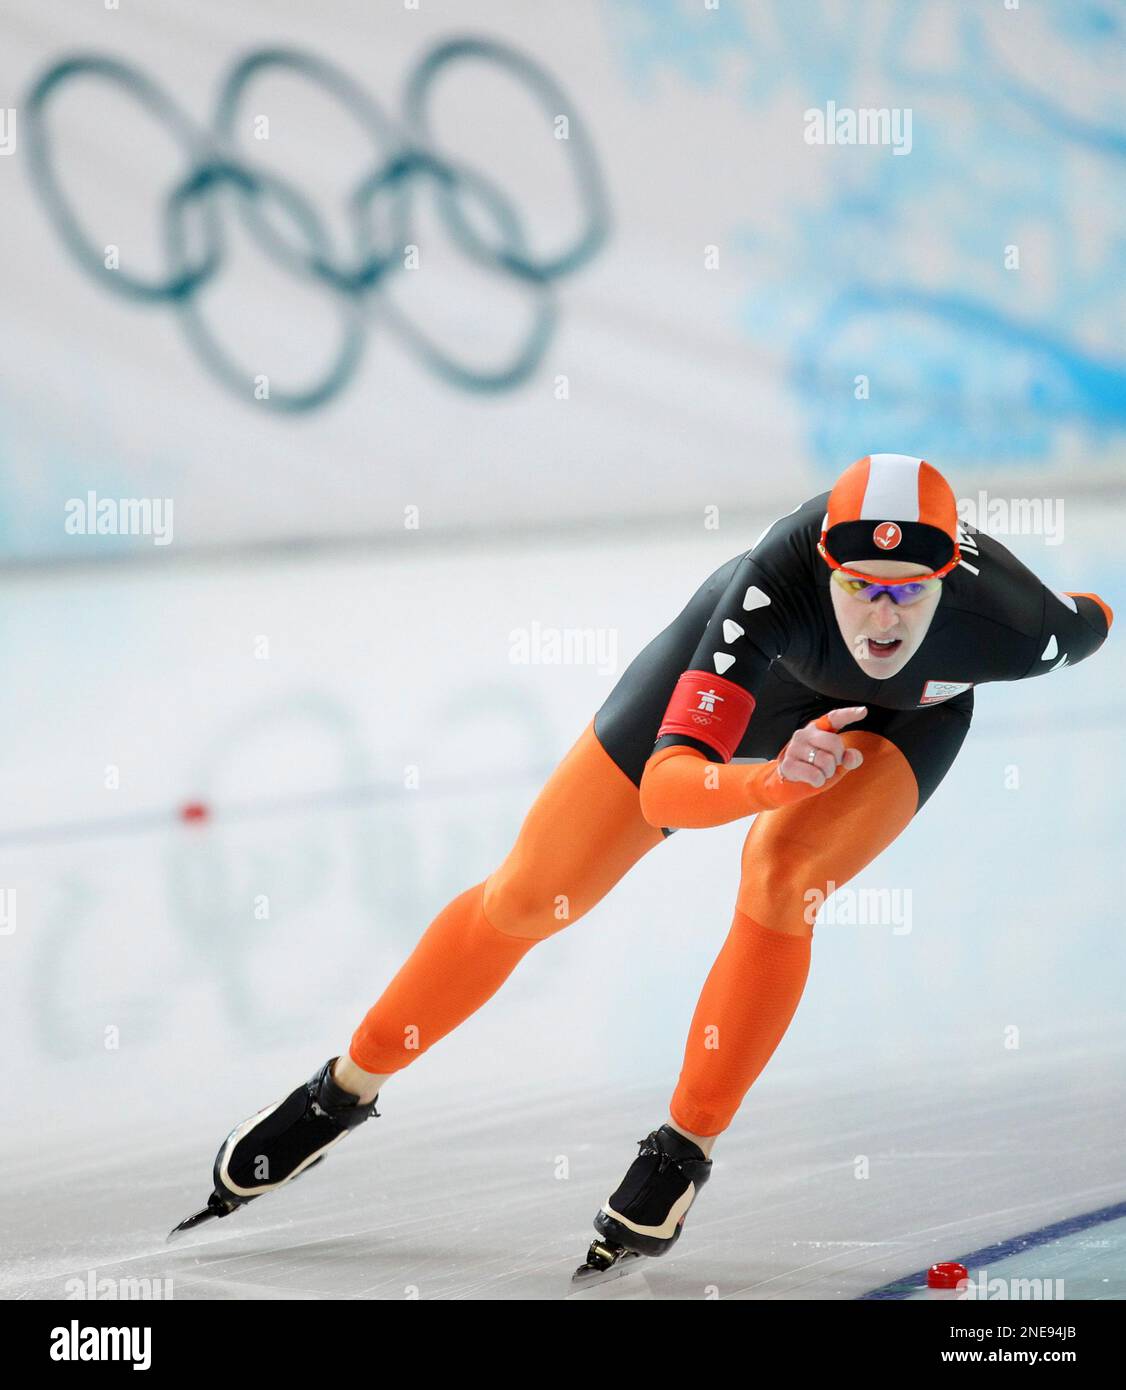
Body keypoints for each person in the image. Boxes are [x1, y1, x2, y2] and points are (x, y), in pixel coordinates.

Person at [172, 454, 1113, 1271]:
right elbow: (668, 788)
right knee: (533, 896)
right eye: (861, 584)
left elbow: (1092, 616)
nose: (883, 614)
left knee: (784, 879)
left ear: (951, 581)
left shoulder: (1020, 629)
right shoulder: (767, 590)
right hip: (745, 697)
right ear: (822, 568)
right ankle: (343, 1090)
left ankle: (681, 1152)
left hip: (905, 722)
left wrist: (787, 796)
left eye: (910, 589)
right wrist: (769, 779)